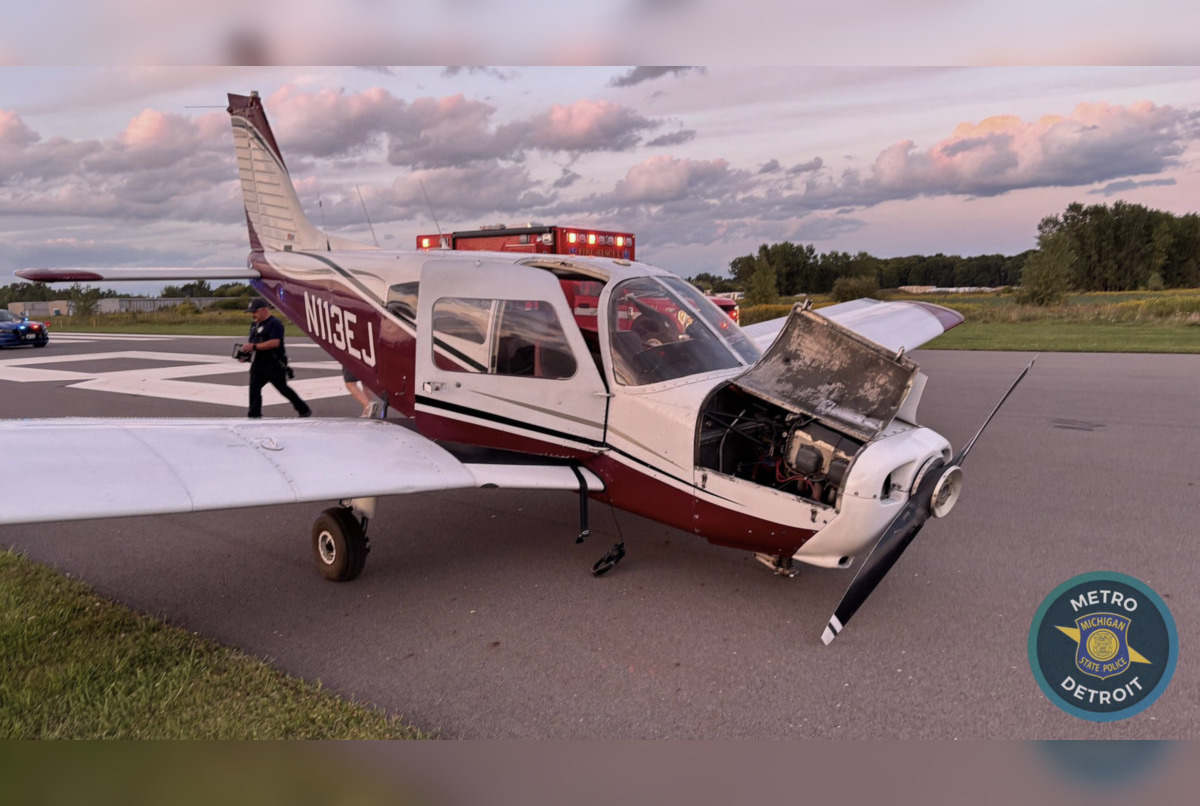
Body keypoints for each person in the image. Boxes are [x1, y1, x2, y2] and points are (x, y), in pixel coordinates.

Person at [241, 297, 311, 418]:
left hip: (274, 363)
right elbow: (252, 342)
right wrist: (246, 355)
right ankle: (254, 415)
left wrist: (255, 346)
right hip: (258, 363)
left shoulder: (274, 323)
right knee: (254, 389)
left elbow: (275, 342)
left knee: (282, 388)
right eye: (251, 312)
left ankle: (303, 409)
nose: (253, 314)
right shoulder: (254, 325)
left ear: (264, 310)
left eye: (255, 311)